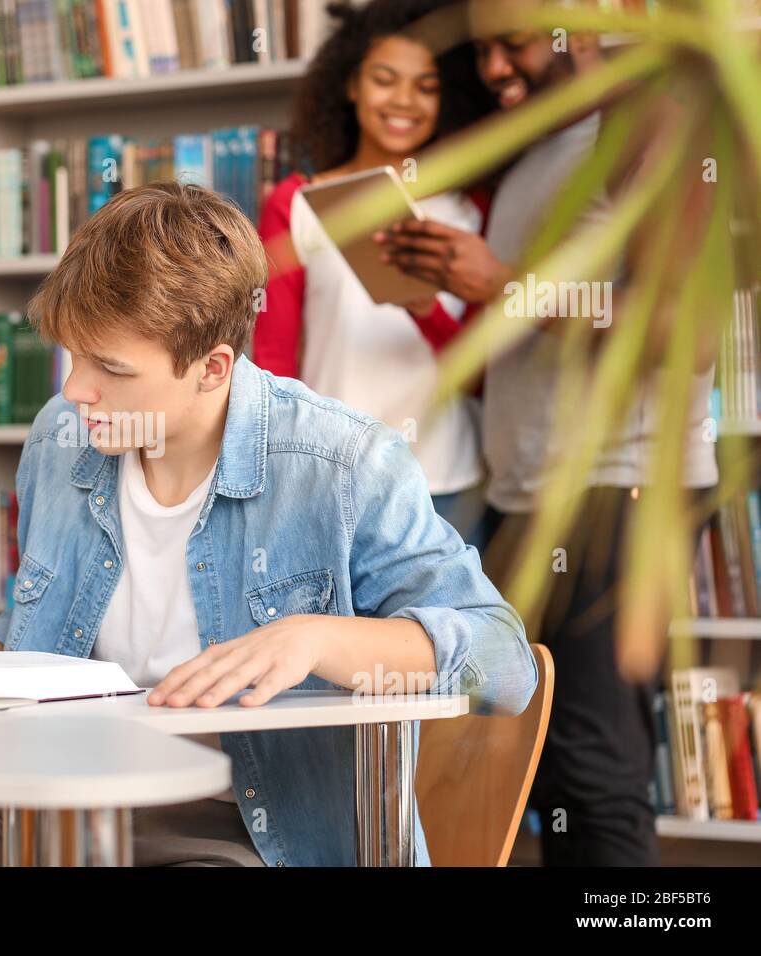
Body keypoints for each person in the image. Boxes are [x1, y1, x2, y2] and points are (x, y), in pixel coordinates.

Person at [0, 181, 537, 867]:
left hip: (245, 835)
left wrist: (318, 637)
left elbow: (505, 664)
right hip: (51, 814)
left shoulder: (344, 463)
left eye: (110, 368)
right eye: (72, 356)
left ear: (213, 367)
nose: (75, 390)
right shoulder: (63, 437)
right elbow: (47, 640)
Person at [378, 17, 718, 865]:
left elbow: (689, 335)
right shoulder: (543, 152)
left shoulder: (644, 122)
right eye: (483, 47)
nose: (495, 68)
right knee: (547, 769)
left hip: (617, 489)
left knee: (596, 772)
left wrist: (499, 286)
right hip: (529, 496)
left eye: (518, 42)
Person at [255, 0, 498, 548]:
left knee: (449, 634)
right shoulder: (297, 203)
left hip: (445, 478)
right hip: (327, 473)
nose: (404, 102)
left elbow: (482, 372)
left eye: (426, 87)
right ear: (351, 86)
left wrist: (424, 309)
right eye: (385, 80)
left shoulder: (468, 208)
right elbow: (273, 361)